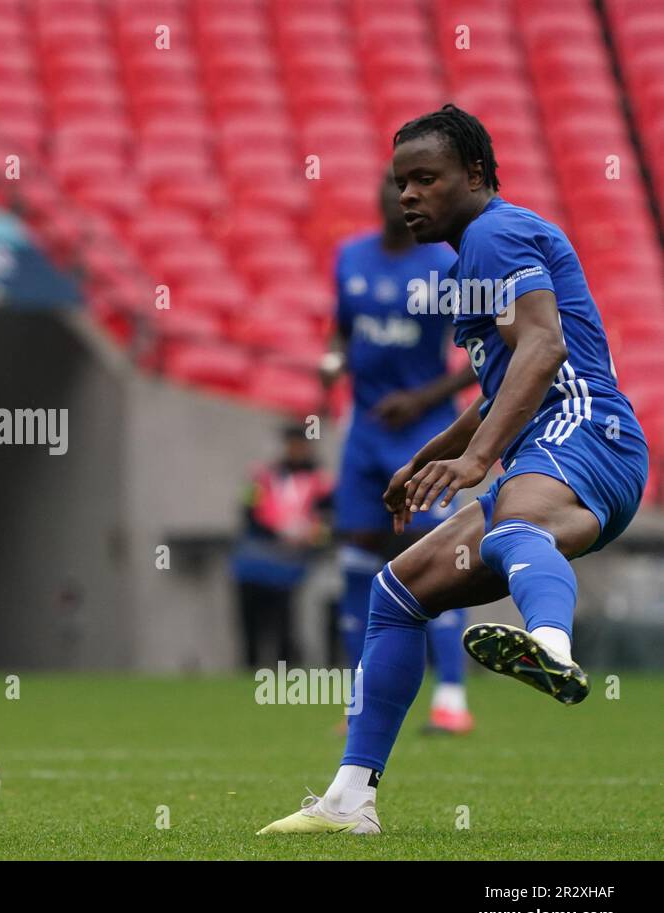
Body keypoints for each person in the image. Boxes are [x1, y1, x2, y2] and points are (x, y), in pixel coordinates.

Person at [260, 104, 649, 834]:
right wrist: (429, 456)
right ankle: (349, 799)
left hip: (587, 431)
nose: (408, 195)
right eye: (401, 181)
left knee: (515, 523)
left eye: (426, 179)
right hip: (552, 445)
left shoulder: (497, 234)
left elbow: (543, 350)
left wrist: (474, 460)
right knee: (398, 591)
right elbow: (504, 386)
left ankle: (553, 648)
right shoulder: (473, 250)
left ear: (474, 174)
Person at [325, 171, 477, 734]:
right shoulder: (350, 257)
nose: (399, 201)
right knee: (355, 558)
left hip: (425, 433)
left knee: (436, 558)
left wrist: (420, 399)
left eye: (410, 192)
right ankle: (358, 699)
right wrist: (333, 359)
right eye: (390, 191)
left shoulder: (444, 267)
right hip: (364, 432)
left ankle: (453, 699)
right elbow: (340, 329)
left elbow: (476, 358)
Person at [231, 425, 332, 666]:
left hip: (294, 561)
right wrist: (275, 531)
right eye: (291, 444)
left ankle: (285, 668)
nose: (296, 450)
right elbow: (246, 510)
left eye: (301, 445)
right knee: (250, 618)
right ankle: (250, 667)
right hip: (257, 557)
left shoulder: (321, 481)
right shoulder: (261, 477)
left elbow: (329, 520)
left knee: (285, 621)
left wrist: (313, 538)